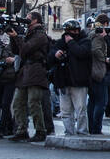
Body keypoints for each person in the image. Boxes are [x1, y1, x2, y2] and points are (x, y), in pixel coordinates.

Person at [9, 11, 50, 142]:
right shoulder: (29, 34)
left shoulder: (40, 35)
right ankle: (21, 129)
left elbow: (26, 49)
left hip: (36, 70)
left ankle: (40, 130)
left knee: (33, 102)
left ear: (35, 20)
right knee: (17, 102)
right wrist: (13, 36)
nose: (26, 21)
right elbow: (17, 51)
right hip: (25, 71)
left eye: (28, 19)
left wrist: (17, 37)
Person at [53, 19, 91, 136]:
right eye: (69, 31)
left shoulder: (85, 41)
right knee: (65, 110)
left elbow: (81, 53)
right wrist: (56, 54)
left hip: (79, 80)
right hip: (64, 80)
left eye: (74, 31)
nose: (71, 33)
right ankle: (69, 131)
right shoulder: (60, 43)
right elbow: (51, 56)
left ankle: (82, 131)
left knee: (80, 109)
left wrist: (71, 43)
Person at [86, 16, 109, 134]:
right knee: (101, 101)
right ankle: (96, 127)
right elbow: (95, 50)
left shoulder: (90, 35)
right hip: (98, 71)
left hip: (91, 71)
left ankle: (92, 126)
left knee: (93, 101)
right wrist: (105, 59)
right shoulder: (98, 37)